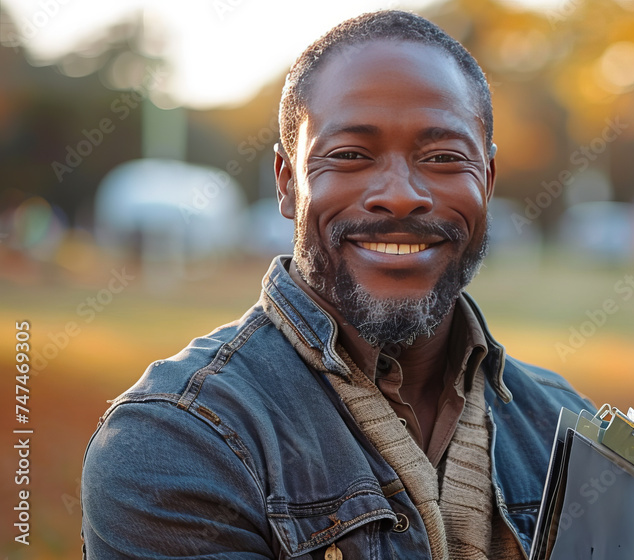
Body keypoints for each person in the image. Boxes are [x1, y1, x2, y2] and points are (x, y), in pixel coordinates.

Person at [81, 10, 594, 559]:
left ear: (487, 183)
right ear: (287, 182)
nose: (399, 195)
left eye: (444, 157)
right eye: (350, 155)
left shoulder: (571, 433)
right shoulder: (174, 440)